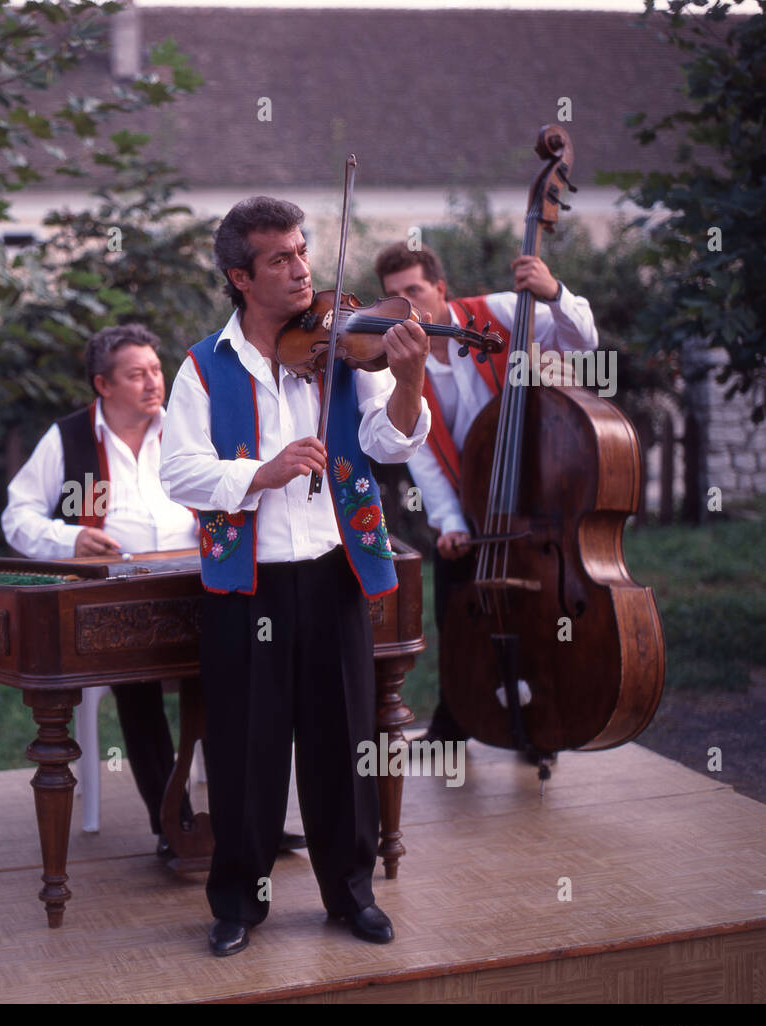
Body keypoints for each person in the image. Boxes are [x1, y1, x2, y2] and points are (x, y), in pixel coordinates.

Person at [160, 196, 431, 957]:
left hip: (333, 569)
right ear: (240, 276)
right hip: (248, 584)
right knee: (247, 748)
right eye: (279, 259)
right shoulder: (202, 367)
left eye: (302, 251)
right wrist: (263, 472)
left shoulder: (347, 347)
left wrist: (408, 380)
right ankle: (237, 904)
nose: (301, 268)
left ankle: (351, 894)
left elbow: (390, 439)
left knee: (343, 741)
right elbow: (179, 471)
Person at [373, 241, 598, 743]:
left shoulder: (497, 311)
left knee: (541, 613)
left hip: (534, 497)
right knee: (456, 613)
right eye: (395, 296)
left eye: (415, 289)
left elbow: (582, 343)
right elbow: (423, 456)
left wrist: (556, 293)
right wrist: (451, 523)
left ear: (440, 288)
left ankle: (546, 716)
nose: (408, 303)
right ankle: (457, 724)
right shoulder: (400, 365)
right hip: (470, 506)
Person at [2, 324, 201, 854]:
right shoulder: (69, 437)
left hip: (199, 584)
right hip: (116, 597)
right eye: (136, 375)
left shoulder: (188, 428)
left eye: (156, 370)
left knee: (236, 675)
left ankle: (242, 823)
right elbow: (16, 517)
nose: (153, 383)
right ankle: (173, 826)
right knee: (136, 686)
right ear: (103, 384)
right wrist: (69, 537)